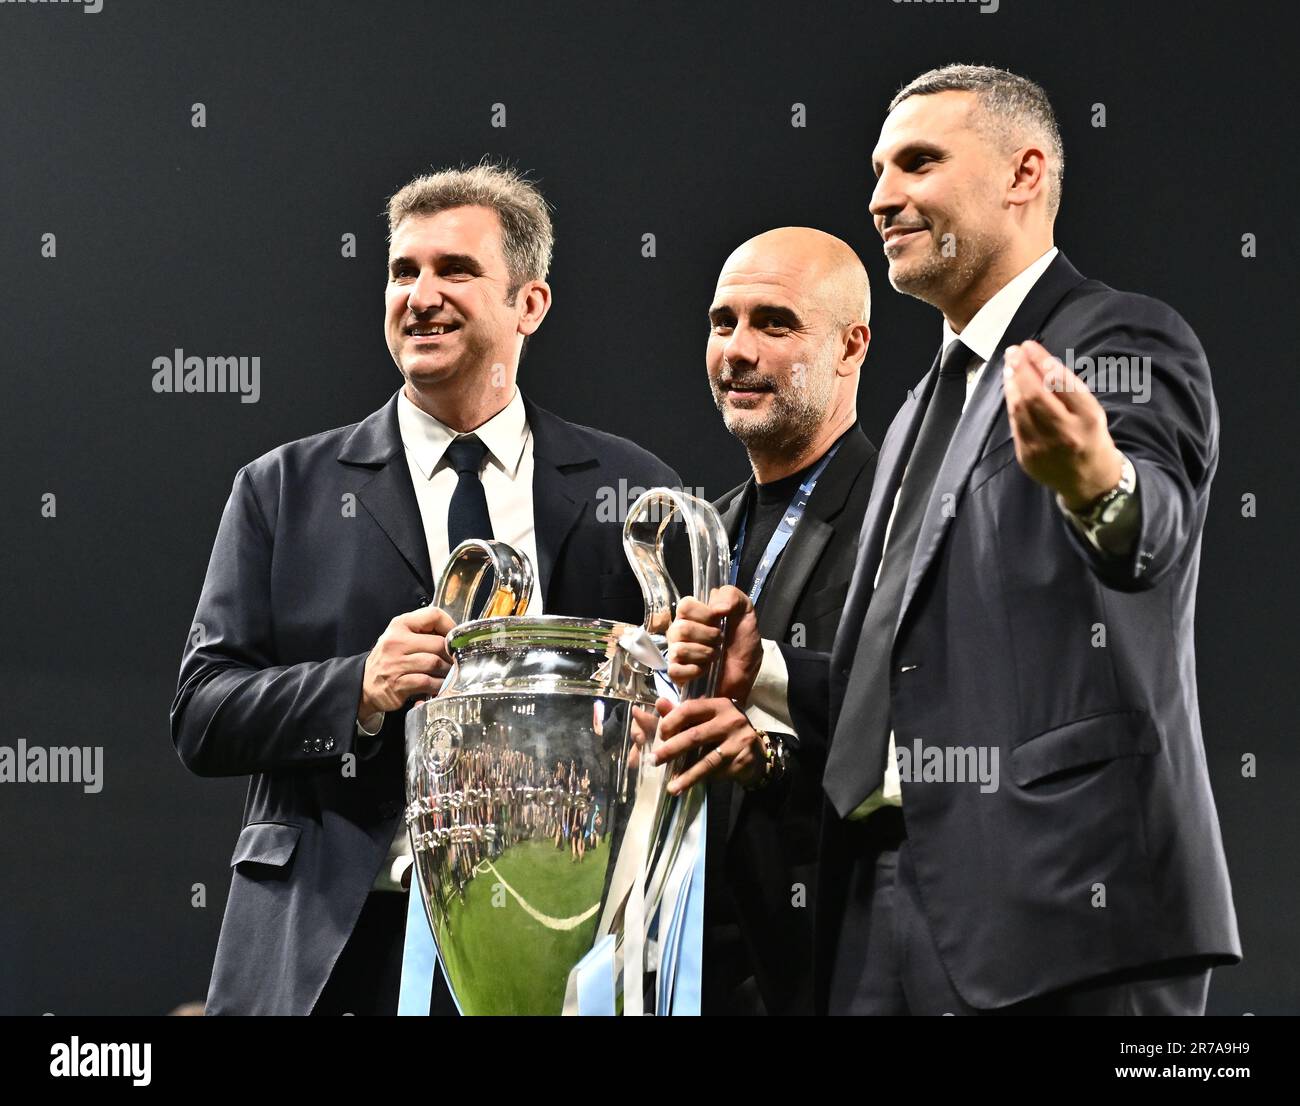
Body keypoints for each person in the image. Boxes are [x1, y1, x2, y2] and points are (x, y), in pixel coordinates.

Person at [659, 64, 1240, 1015]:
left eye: (920, 164)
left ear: (1023, 174)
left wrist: (1097, 480)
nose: (884, 198)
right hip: (881, 912)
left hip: (1065, 907)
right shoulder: (926, 403)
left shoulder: (1115, 335)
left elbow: (1152, 536)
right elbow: (913, 678)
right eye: (880, 171)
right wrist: (766, 676)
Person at [172, 161, 680, 1016]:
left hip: (563, 942)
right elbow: (201, 713)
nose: (421, 293)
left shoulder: (631, 492)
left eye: (455, 270)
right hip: (339, 949)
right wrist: (358, 689)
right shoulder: (283, 488)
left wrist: (655, 718)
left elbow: (679, 694)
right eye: (403, 271)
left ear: (530, 304)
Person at [689, 227, 878, 1014]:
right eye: (721, 321)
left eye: (774, 323)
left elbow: (927, 721)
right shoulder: (705, 530)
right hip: (700, 968)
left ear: (849, 347)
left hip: (838, 961)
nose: (736, 350)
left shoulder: (898, 515)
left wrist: (768, 752)